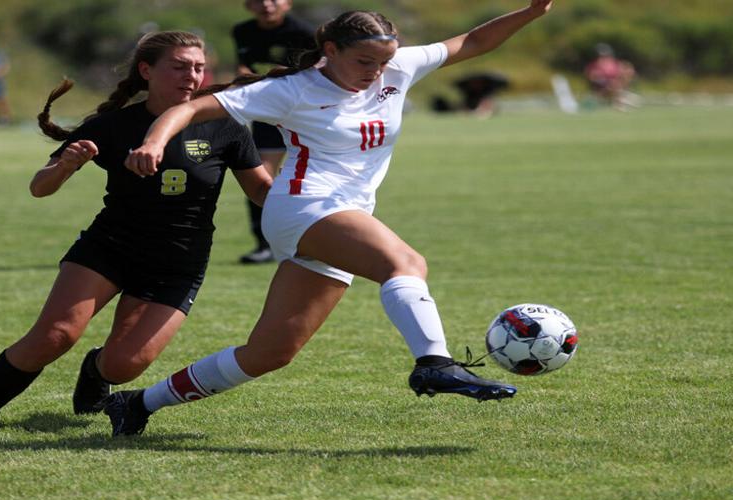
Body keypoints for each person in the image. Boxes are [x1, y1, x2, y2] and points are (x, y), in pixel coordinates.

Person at [104, 2, 555, 437]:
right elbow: (190, 108)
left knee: (270, 353)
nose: (376, 72)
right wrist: (154, 142)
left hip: (343, 217)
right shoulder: (293, 89)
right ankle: (435, 365)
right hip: (304, 205)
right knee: (406, 264)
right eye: (364, 61)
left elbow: (473, 41)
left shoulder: (396, 66)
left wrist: (531, 13)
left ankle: (137, 404)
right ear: (331, 50)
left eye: (383, 61)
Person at [0, 31, 273, 431]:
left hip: (178, 262)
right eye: (179, 66)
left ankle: (95, 370)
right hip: (110, 248)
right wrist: (65, 165)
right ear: (146, 71)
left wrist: (315, 203)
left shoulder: (225, 127)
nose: (192, 76)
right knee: (54, 335)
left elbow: (263, 192)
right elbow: (40, 187)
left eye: (198, 68)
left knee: (124, 366)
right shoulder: (113, 125)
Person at [232, 0, 317, 264]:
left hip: (303, 113)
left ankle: (315, 239)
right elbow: (244, 66)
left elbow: (317, 71)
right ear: (248, 5)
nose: (266, 5)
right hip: (266, 112)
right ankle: (264, 244)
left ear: (288, 3)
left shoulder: (304, 32)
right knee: (259, 177)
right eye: (258, 0)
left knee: (311, 178)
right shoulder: (242, 31)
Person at [584, 43, 636, 110]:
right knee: (613, 85)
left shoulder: (614, 63)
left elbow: (625, 72)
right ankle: (621, 100)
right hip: (602, 89)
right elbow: (593, 78)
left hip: (616, 86)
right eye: (602, 56)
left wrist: (626, 71)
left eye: (606, 56)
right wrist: (607, 82)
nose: (604, 58)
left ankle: (623, 96)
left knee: (626, 72)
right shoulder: (593, 66)